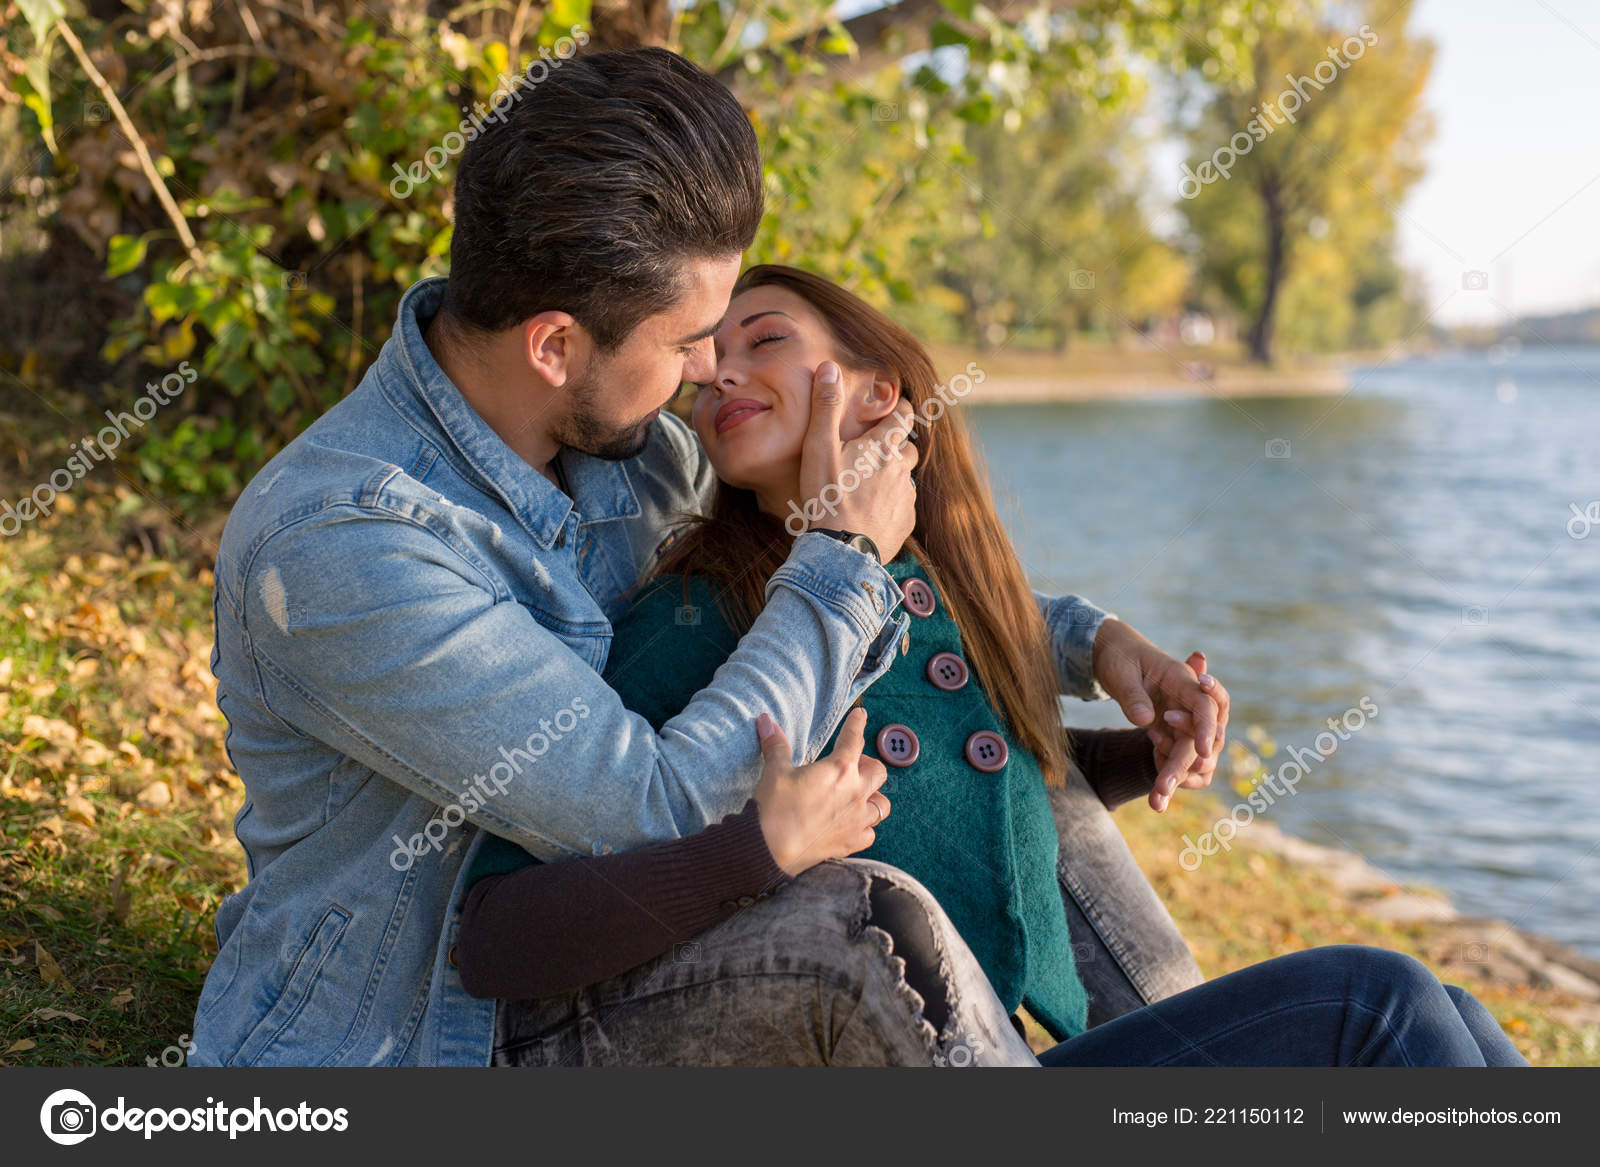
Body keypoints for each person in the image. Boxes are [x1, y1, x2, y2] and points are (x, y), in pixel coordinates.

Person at [188, 48, 1223, 1068]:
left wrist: (1089, 642)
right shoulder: (346, 541)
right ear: (554, 347)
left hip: (658, 936)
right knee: (860, 924)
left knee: (1028, 778)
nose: (703, 373)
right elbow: (658, 809)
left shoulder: (633, 453)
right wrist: (845, 548)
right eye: (687, 340)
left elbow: (846, 626)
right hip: (433, 1032)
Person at [456, 266, 1526, 1069]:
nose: (717, 373)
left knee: (1460, 1019)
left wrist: (1131, 742)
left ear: (880, 395)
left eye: (763, 339)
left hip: (1024, 1047)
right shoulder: (704, 616)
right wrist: (755, 850)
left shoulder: (929, 593)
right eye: (706, 362)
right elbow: (498, 936)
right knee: (1377, 1007)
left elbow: (953, 780)